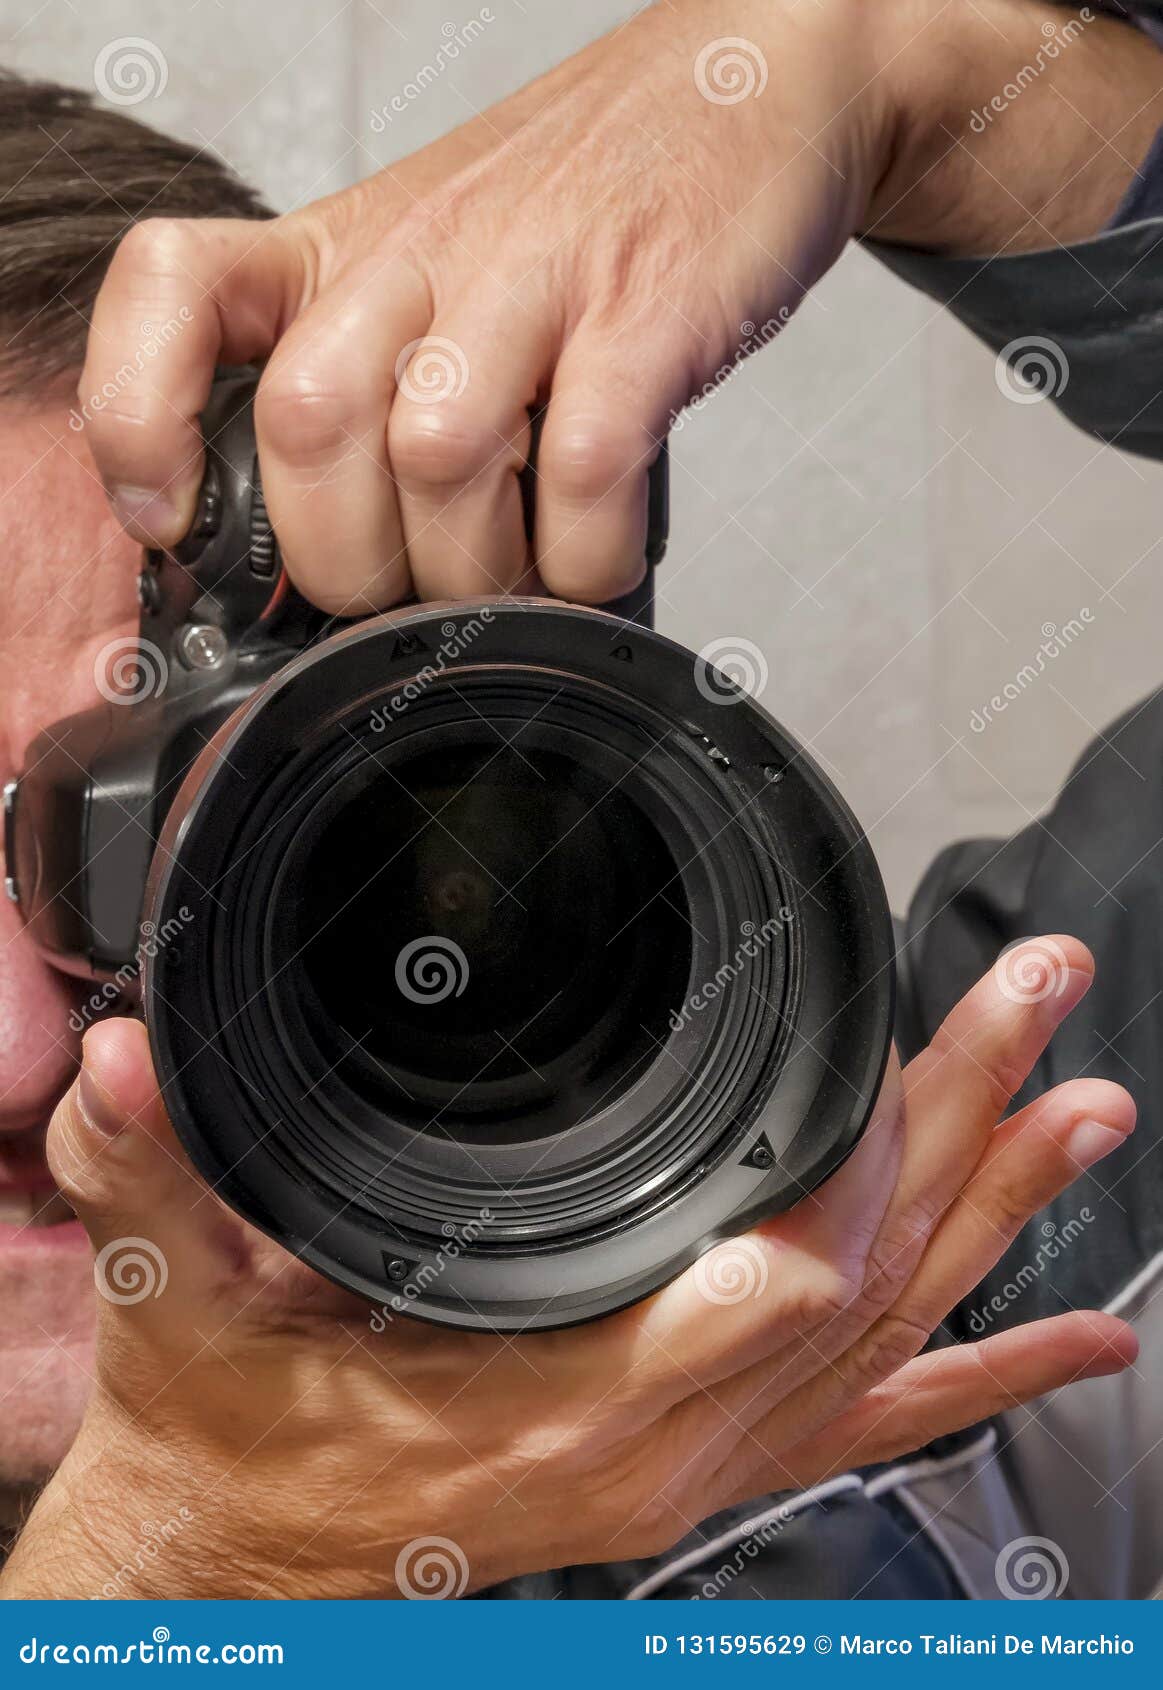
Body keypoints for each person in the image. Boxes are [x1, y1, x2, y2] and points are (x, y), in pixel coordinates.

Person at [1, 0, 1162, 1598]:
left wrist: (936, 81)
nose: (27, 1053)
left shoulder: (917, 1264)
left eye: (162, 819)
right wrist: (171, 1570)